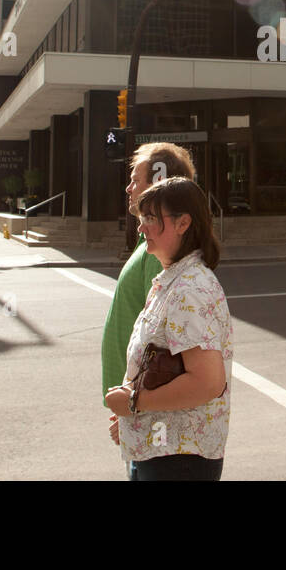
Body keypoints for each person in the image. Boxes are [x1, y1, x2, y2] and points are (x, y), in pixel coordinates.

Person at [104, 177, 232, 480]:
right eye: (140, 218)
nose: (141, 227)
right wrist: (132, 414)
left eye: (150, 218)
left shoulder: (190, 287)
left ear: (183, 223)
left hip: (179, 459)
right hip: (163, 450)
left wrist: (135, 403)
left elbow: (207, 382)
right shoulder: (173, 281)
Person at [101, 143, 197, 409]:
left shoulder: (163, 249)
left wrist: (136, 402)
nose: (128, 189)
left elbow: (159, 337)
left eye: (135, 181)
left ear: (159, 183)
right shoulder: (150, 243)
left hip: (140, 405)